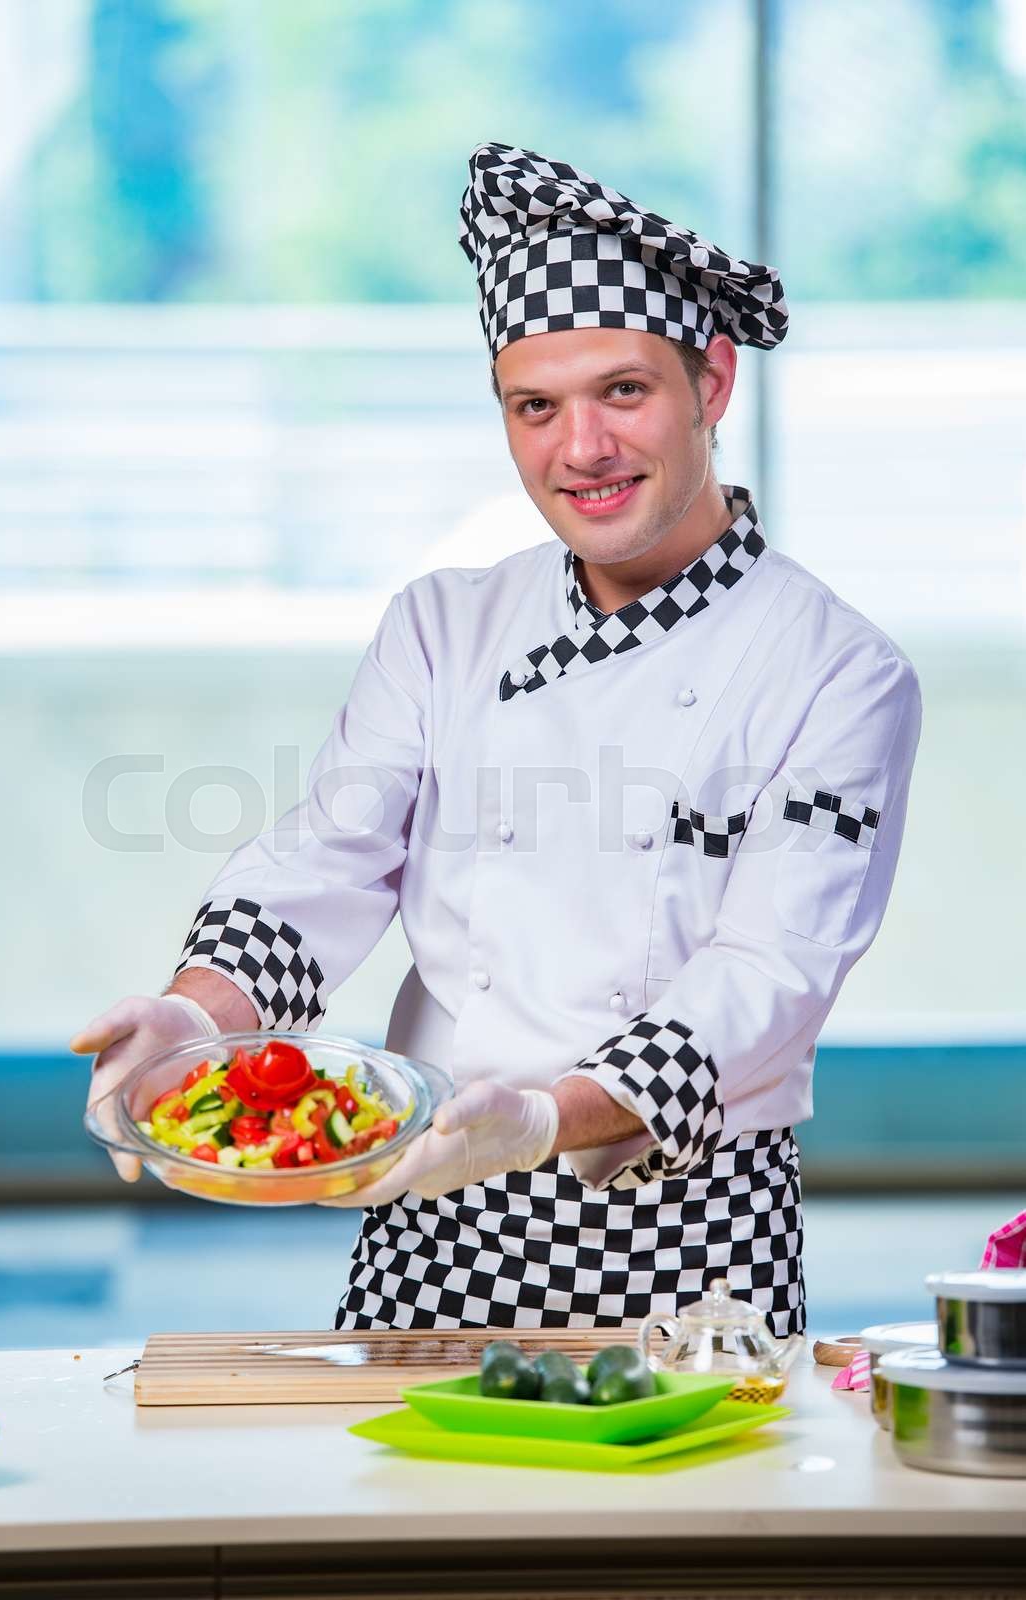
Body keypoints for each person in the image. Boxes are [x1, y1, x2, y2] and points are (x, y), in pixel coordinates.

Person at [73, 141, 922, 1335]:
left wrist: (543, 1119)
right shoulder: (443, 624)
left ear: (714, 384)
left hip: (690, 1228)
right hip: (430, 1201)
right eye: (537, 406)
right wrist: (199, 1018)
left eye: (623, 391)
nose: (581, 449)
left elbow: (772, 973)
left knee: (676, 1519)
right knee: (412, 1519)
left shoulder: (839, 669)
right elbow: (329, 863)